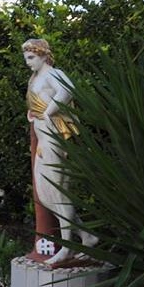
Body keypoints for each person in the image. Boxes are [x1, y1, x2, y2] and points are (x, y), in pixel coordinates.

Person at [23, 38, 97, 265]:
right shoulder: (36, 77)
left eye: (32, 57)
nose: (28, 63)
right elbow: (37, 102)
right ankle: (86, 236)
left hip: (53, 140)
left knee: (57, 192)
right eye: (26, 58)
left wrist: (48, 111)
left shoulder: (52, 73)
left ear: (44, 55)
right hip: (43, 141)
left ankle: (67, 247)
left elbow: (68, 89)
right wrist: (33, 114)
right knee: (46, 196)